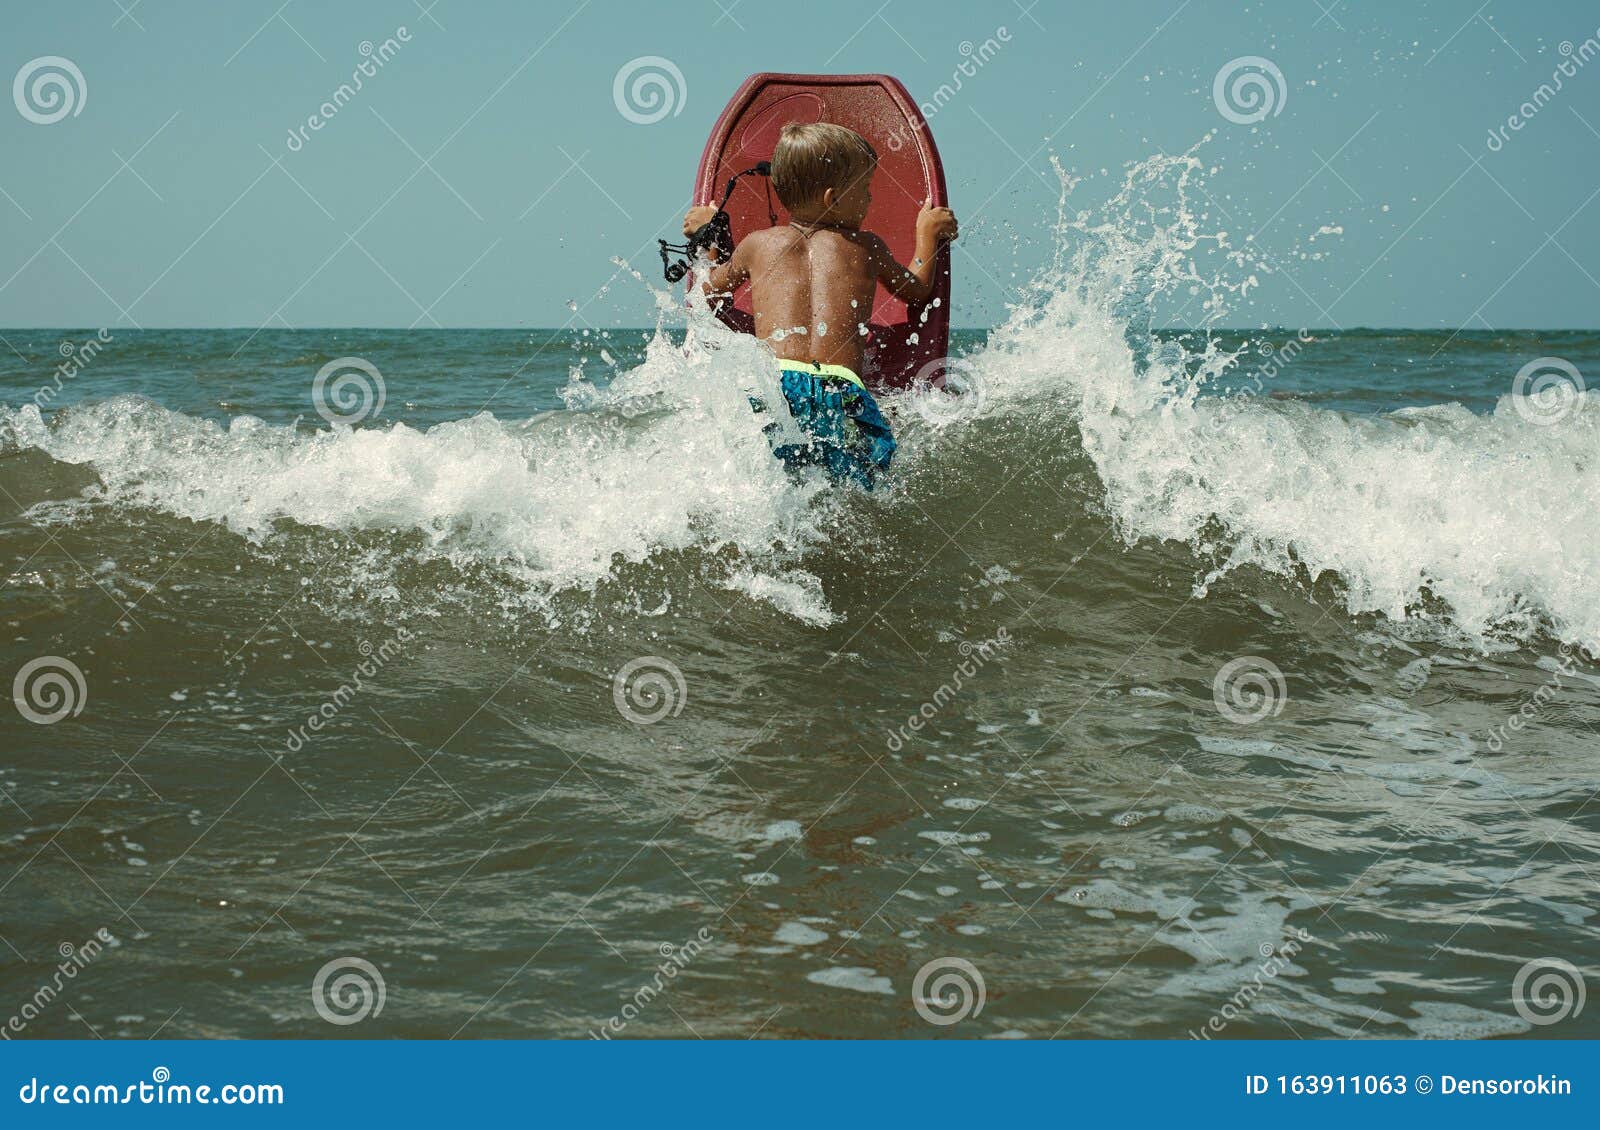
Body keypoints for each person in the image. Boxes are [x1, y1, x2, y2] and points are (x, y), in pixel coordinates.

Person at [682, 122, 958, 489]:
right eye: (865, 190)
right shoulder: (866, 247)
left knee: (773, 483)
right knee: (859, 487)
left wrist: (711, 234)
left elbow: (706, 296)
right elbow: (918, 290)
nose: (870, 200)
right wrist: (927, 233)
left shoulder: (756, 245)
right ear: (833, 198)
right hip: (841, 388)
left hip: (774, 385)